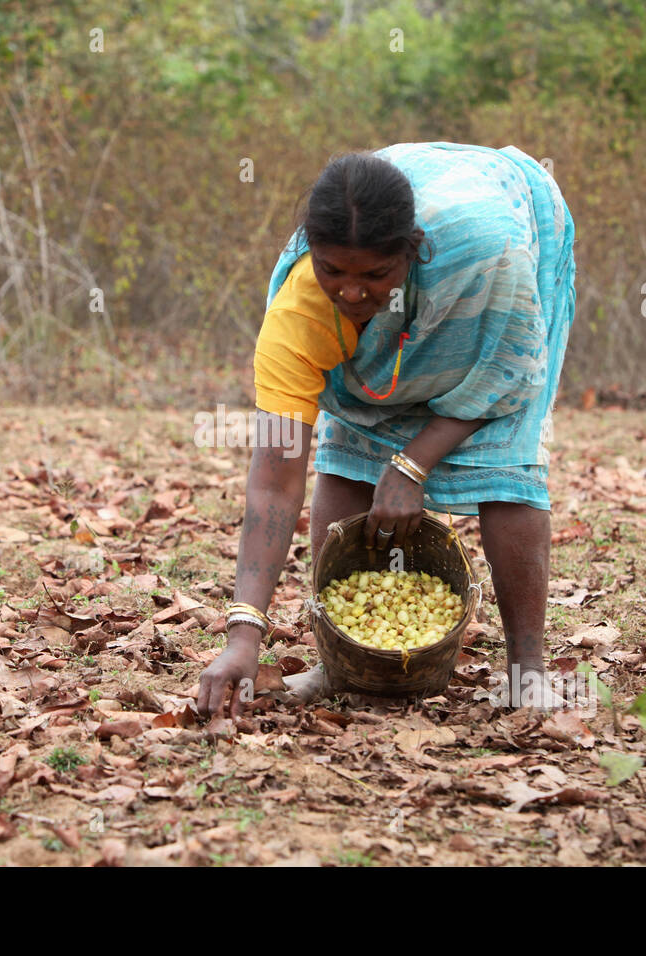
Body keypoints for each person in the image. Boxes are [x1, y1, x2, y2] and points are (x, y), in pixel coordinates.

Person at [196, 142, 576, 718]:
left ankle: (527, 671)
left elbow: (506, 372)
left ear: (412, 251)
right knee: (349, 453)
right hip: (423, 275)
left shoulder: (482, 255)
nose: (351, 292)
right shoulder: (299, 312)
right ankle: (340, 660)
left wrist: (412, 463)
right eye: (333, 271)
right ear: (310, 253)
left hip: (506, 238)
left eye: (375, 274)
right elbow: (274, 484)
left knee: (507, 467)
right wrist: (242, 638)